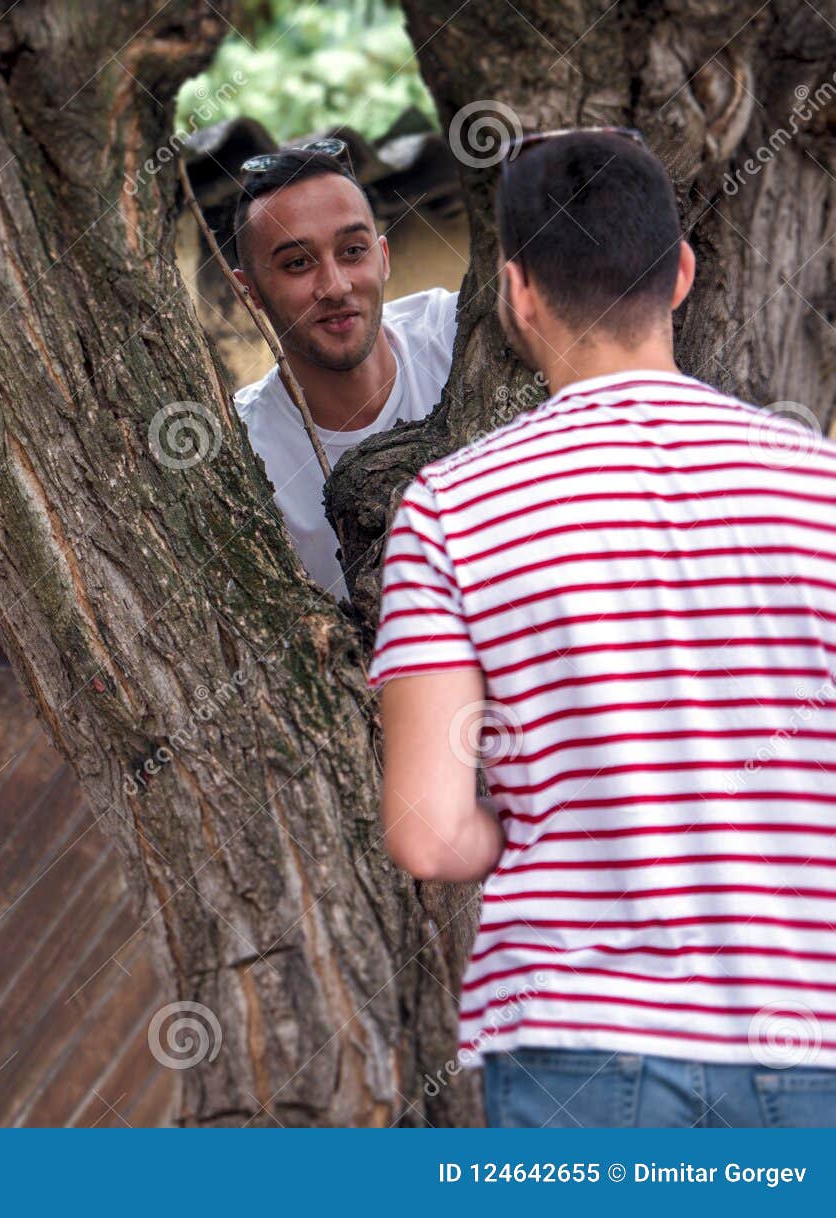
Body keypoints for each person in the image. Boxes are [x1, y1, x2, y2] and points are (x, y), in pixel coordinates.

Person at [369, 127, 836, 1127]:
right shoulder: (818, 491)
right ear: (678, 274)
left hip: (579, 1054)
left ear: (517, 293)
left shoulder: (452, 508)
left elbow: (428, 835)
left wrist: (561, 825)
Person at [231, 141, 458, 597]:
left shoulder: (458, 337)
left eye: (353, 251)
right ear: (249, 292)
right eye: (297, 263)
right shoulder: (240, 450)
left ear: (384, 257)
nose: (335, 286)